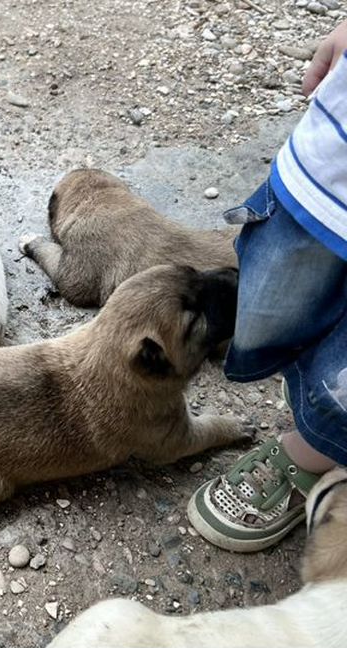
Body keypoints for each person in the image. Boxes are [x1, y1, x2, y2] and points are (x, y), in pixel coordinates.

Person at [187, 21, 347, 552]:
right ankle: (310, 386)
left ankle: (317, 446)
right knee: (280, 286)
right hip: (329, 170)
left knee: (342, 381)